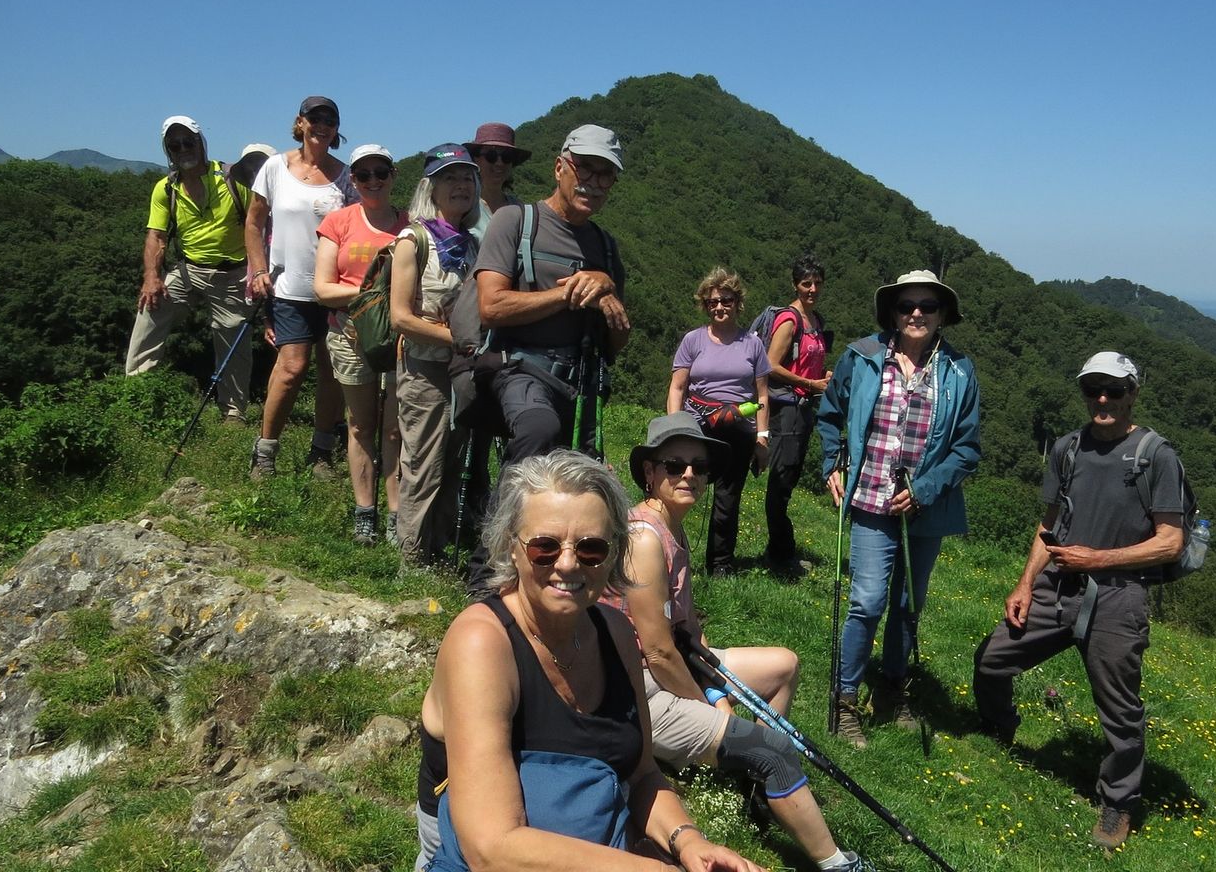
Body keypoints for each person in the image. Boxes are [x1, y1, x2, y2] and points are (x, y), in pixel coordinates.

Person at [415, 451, 763, 872]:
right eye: (544, 546)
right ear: (512, 548)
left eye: (591, 548)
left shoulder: (615, 632)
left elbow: (640, 774)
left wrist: (688, 841)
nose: (567, 563)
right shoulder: (483, 643)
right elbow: (491, 848)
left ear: (614, 554)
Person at [604, 414, 876, 872]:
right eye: (674, 464)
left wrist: (715, 680)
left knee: (784, 665)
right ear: (649, 472)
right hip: (638, 689)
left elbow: (687, 631)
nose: (688, 474)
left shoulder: (672, 525)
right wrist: (712, 702)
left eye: (699, 466)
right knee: (775, 749)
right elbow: (658, 650)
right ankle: (835, 862)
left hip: (669, 668)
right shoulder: (644, 539)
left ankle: (758, 780)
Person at [972, 351, 1186, 851]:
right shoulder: (1068, 449)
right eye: (1093, 389)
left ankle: (1118, 804)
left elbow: (1170, 541)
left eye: (1113, 389)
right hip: (1057, 587)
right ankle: (997, 728)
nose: (1103, 399)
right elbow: (1048, 525)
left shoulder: (1156, 456)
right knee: (992, 660)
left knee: (1120, 709)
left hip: (1118, 597)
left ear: (1134, 392)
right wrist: (1025, 583)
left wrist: (1098, 558)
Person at [819, 270, 981, 748]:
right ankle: (846, 697)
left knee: (908, 607)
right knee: (867, 601)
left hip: (924, 510)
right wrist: (833, 462)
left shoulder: (959, 371)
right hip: (870, 497)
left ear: (942, 315)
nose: (916, 313)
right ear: (892, 311)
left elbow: (967, 448)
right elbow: (831, 411)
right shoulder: (862, 357)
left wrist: (926, 488)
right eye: (907, 304)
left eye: (927, 306)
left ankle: (892, 690)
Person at [474, 125, 630, 463]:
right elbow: (491, 307)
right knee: (538, 429)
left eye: (607, 175)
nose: (594, 182)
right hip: (520, 370)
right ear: (560, 167)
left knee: (583, 477)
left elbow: (614, 345)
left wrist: (608, 296)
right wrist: (569, 292)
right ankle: (511, 512)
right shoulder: (515, 221)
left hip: (582, 382)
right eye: (585, 167)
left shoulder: (605, 248)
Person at [245, 96, 356, 481]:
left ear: (336, 128)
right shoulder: (275, 167)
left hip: (336, 291)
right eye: (315, 118)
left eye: (330, 119)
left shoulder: (346, 176)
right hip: (288, 287)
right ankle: (264, 451)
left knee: (332, 371)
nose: (322, 125)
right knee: (292, 367)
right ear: (300, 123)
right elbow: (254, 223)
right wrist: (258, 270)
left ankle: (321, 451)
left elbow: (356, 230)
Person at [123, 115, 254, 422]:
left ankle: (233, 414)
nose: (183, 149)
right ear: (167, 150)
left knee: (232, 341)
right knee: (149, 315)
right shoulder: (166, 188)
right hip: (187, 269)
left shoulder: (233, 178)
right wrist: (151, 277)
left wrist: (260, 270)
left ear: (201, 143)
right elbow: (156, 235)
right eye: (175, 144)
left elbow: (259, 223)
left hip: (231, 273)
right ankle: (135, 399)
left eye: (188, 142)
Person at [391, 144, 482, 563]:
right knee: (423, 462)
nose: (461, 185)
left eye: (467, 177)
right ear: (432, 187)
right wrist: (457, 338)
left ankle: (438, 551)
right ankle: (411, 557)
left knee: (452, 462)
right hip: (424, 368)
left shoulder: (472, 245)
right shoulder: (413, 240)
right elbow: (400, 318)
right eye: (451, 178)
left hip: (461, 371)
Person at [312, 144, 408, 545]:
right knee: (360, 425)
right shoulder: (338, 222)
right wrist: (369, 303)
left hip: (399, 338)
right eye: (363, 175)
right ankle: (364, 511)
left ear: (392, 176)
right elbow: (321, 288)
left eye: (380, 173)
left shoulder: (409, 226)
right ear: (352, 179)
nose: (373, 181)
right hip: (350, 336)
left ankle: (396, 514)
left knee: (394, 430)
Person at [666, 269, 770, 577]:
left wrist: (762, 438)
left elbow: (762, 394)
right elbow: (678, 387)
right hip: (698, 425)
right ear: (704, 305)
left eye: (726, 300)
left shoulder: (753, 344)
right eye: (712, 302)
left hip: (738, 427)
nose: (719, 307)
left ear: (738, 303)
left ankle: (720, 564)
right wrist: (674, 429)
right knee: (679, 489)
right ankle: (665, 549)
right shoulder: (693, 340)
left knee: (728, 497)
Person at [760, 254, 832, 575]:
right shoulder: (790, 320)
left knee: (788, 478)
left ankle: (779, 550)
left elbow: (807, 361)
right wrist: (809, 383)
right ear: (795, 285)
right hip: (786, 408)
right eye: (806, 283)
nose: (812, 288)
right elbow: (771, 365)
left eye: (817, 282)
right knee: (781, 479)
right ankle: (780, 554)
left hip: (804, 407)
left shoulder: (815, 321)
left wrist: (823, 377)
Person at [464, 121, 529, 237]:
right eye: (491, 156)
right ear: (476, 158)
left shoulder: (520, 210)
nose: (499, 163)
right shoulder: (464, 207)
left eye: (506, 157)